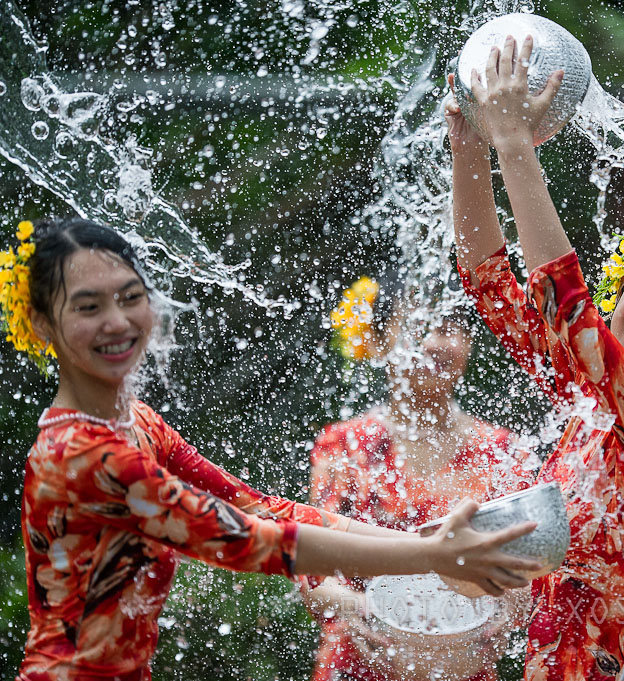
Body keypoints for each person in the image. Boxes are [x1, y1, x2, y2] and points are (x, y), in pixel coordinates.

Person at [5, 217, 541, 681]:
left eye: (130, 297)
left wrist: (434, 548)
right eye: (89, 306)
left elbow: (259, 506)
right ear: (41, 324)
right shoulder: (82, 455)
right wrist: (432, 556)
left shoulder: (136, 423)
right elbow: (253, 540)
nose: (118, 321)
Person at [445, 35, 624, 681]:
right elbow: (489, 282)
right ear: (623, 292)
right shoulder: (585, 401)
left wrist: (516, 146)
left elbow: (570, 311)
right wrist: (470, 147)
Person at [304, 273, 533, 681]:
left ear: (469, 344)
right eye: (415, 326)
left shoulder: (501, 451)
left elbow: (525, 568)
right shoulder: (345, 446)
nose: (432, 343)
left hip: (465, 663)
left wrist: (508, 611)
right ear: (380, 340)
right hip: (361, 662)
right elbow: (311, 570)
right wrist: (353, 610)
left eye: (448, 328)